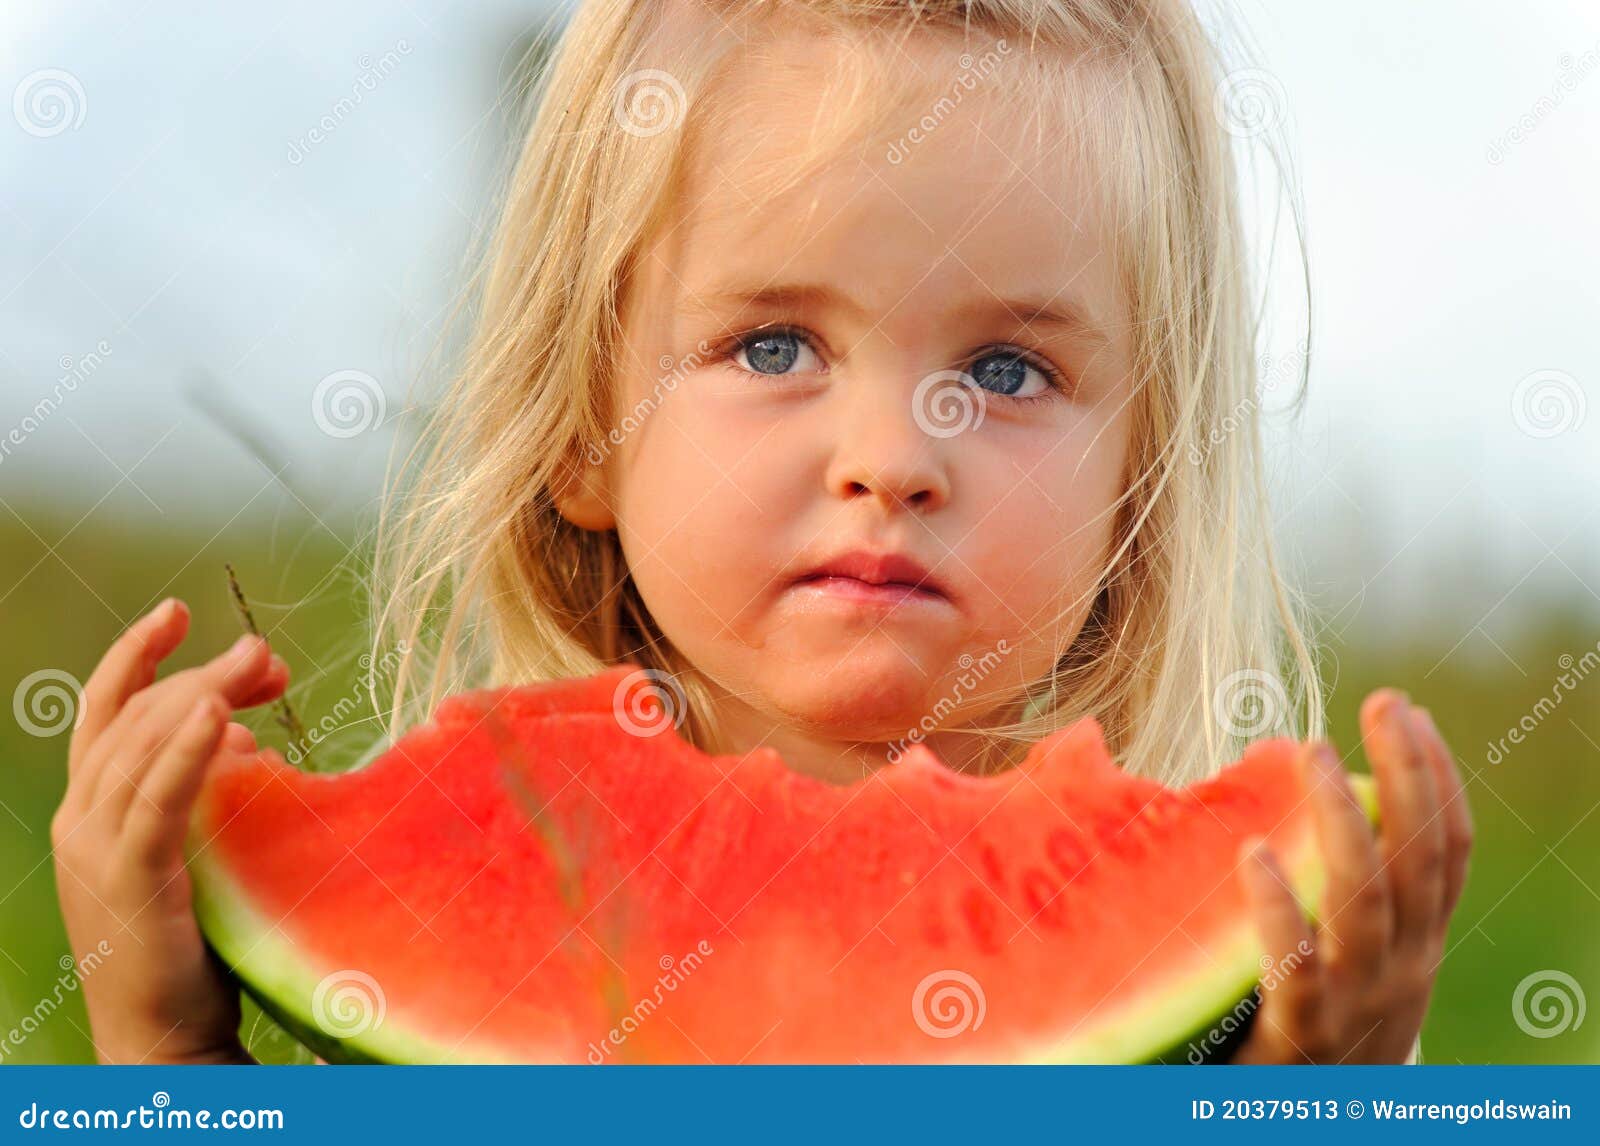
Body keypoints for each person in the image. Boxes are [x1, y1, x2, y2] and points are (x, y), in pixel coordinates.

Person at [52, 0, 1471, 1064]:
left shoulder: (1230, 963)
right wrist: (165, 1041)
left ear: (1141, 485)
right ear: (577, 430)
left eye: (1006, 373)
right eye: (776, 345)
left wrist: (1320, 1090)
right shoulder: (439, 925)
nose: (895, 459)